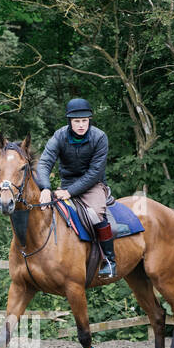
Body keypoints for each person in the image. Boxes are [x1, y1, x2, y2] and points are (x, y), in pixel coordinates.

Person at [36, 98, 115, 277]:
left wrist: (69, 192)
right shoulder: (59, 136)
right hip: (66, 185)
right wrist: (46, 188)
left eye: (84, 121)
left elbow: (95, 172)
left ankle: (109, 261)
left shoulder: (100, 137)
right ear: (70, 122)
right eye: (77, 121)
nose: (81, 125)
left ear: (89, 120)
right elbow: (44, 163)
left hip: (93, 186)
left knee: (95, 214)